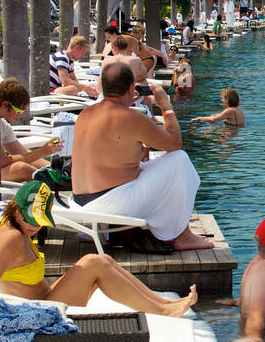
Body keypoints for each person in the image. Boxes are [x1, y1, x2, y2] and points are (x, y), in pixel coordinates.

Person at [0, 181, 197, 316]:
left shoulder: (13, 227)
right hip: (37, 312)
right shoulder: (11, 237)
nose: (35, 226)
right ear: (16, 207)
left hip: (44, 301)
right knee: (94, 263)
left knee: (102, 261)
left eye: (40, 221)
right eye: (31, 219)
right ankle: (162, 311)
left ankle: (164, 304)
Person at [71, 62, 213, 250]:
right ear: (131, 88)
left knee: (153, 163)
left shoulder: (86, 114)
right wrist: (166, 105)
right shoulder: (131, 117)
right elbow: (174, 143)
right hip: (108, 205)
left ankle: (168, 228)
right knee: (180, 160)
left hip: (79, 202)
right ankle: (181, 234)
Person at [0, 77, 61, 181]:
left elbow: (21, 152)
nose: (19, 116)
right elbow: (2, 161)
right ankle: (52, 185)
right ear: (5, 104)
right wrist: (42, 151)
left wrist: (52, 168)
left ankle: (57, 177)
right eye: (18, 111)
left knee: (28, 166)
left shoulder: (2, 124)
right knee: (22, 169)